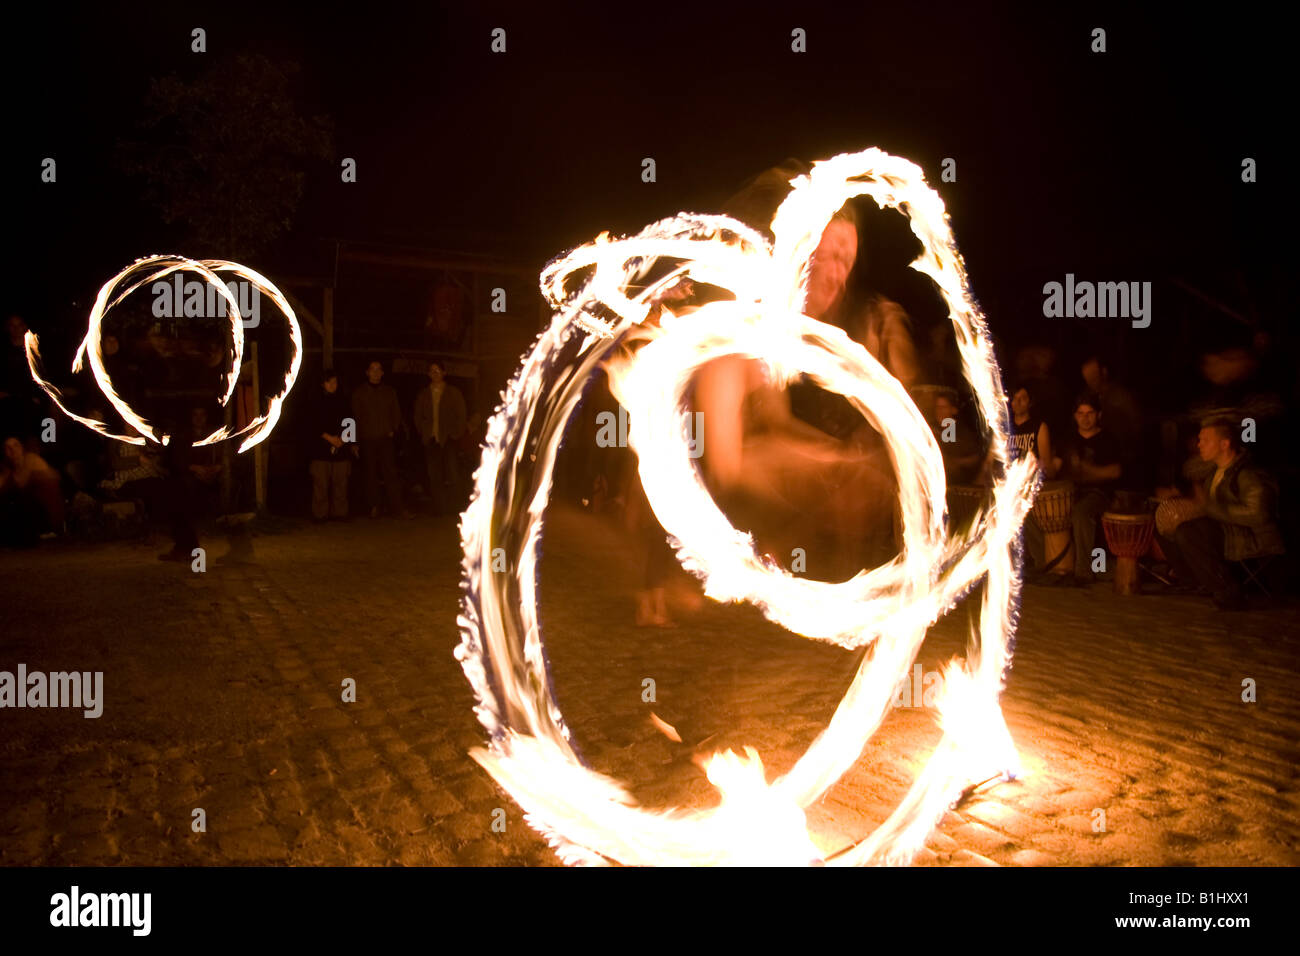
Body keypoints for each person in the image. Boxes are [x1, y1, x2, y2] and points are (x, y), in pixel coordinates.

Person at [1157, 419, 1284, 610]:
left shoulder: (1248, 474)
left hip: (1247, 537)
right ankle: (1194, 580)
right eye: (1199, 440)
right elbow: (1207, 505)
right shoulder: (1214, 473)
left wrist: (1207, 506)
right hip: (1226, 530)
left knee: (1187, 531)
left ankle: (1228, 590)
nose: (1198, 445)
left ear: (1225, 444)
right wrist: (1181, 498)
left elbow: (1258, 515)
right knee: (1164, 525)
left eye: (1205, 440)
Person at [1058, 394, 1122, 586]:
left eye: (1090, 413)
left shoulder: (1108, 439)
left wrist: (1088, 472)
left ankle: (1086, 571)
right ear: (1074, 416)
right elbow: (1059, 468)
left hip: (1099, 494)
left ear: (1098, 415)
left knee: (1081, 514)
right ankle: (1048, 564)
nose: (1085, 418)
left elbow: (1115, 471)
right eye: (1080, 413)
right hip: (1071, 492)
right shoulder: (1068, 439)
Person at [351, 360, 411, 519]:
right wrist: (355, 441)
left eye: (379, 369)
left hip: (385, 439)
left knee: (390, 473)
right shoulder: (360, 393)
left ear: (382, 373)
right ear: (367, 372)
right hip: (367, 439)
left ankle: (397, 507)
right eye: (373, 369)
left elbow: (396, 413)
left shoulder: (389, 392)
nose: (376, 372)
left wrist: (392, 429)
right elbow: (354, 417)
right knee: (370, 474)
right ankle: (374, 506)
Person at [413, 360, 467, 515]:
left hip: (449, 438)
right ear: (429, 374)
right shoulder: (424, 394)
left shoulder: (453, 393)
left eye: (437, 371)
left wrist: (455, 433)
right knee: (434, 475)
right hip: (431, 439)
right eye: (432, 371)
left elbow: (461, 414)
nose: (435, 374)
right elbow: (418, 415)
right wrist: (424, 431)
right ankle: (440, 508)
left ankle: (457, 506)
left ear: (444, 373)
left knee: (453, 473)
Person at [0, 436, 63, 546]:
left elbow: (21, 484)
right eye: (7, 448)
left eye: (16, 445)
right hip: (29, 512)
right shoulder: (9, 468)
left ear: (22, 448)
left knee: (17, 502)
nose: (12, 450)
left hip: (46, 513)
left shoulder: (31, 460)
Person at [307, 369, 353, 521]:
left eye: (335, 382)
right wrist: (328, 438)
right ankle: (320, 514)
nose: (333, 385)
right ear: (323, 384)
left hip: (341, 448)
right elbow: (312, 425)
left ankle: (340, 513)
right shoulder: (315, 401)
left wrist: (344, 440)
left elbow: (350, 421)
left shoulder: (343, 400)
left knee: (341, 483)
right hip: (320, 450)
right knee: (321, 483)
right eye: (329, 382)